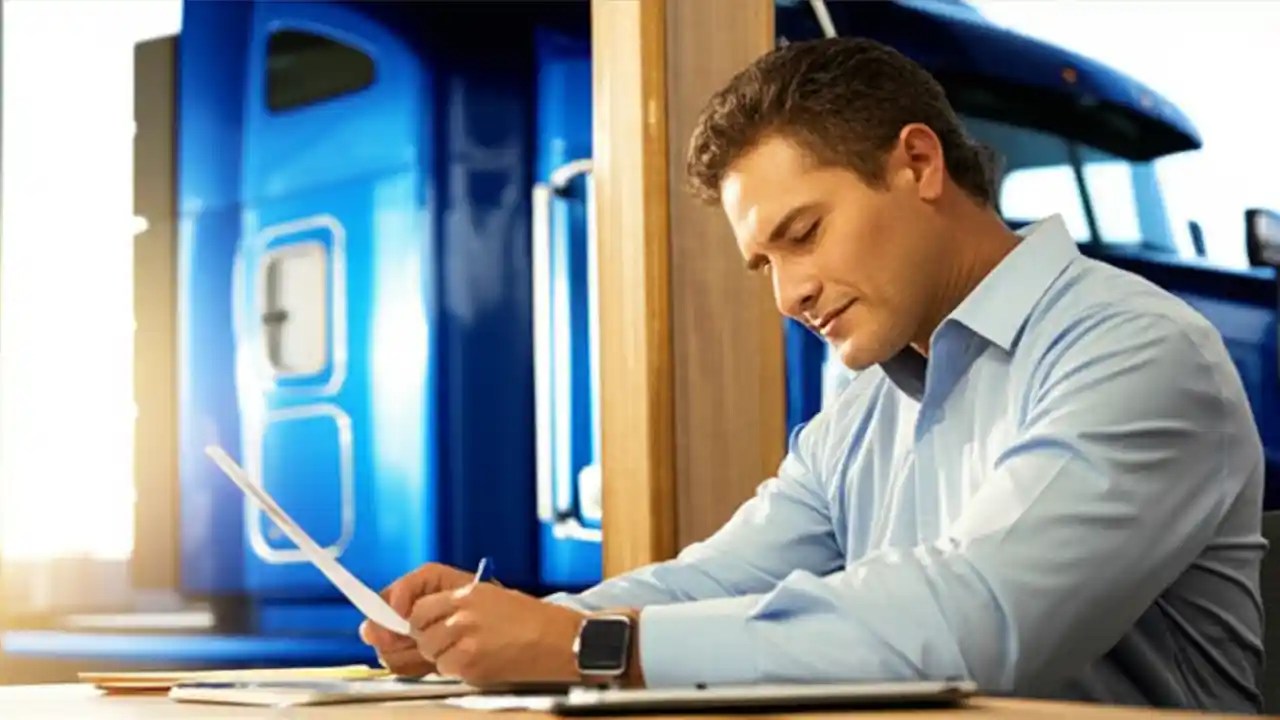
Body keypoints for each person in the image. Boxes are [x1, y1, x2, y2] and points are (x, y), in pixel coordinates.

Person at [360, 37, 1266, 712]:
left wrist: (584, 645)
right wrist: (498, 625)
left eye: (802, 235)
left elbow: (980, 625)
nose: (789, 295)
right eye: (765, 264)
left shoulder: (1134, 349)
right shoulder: (865, 412)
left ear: (918, 164)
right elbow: (719, 581)